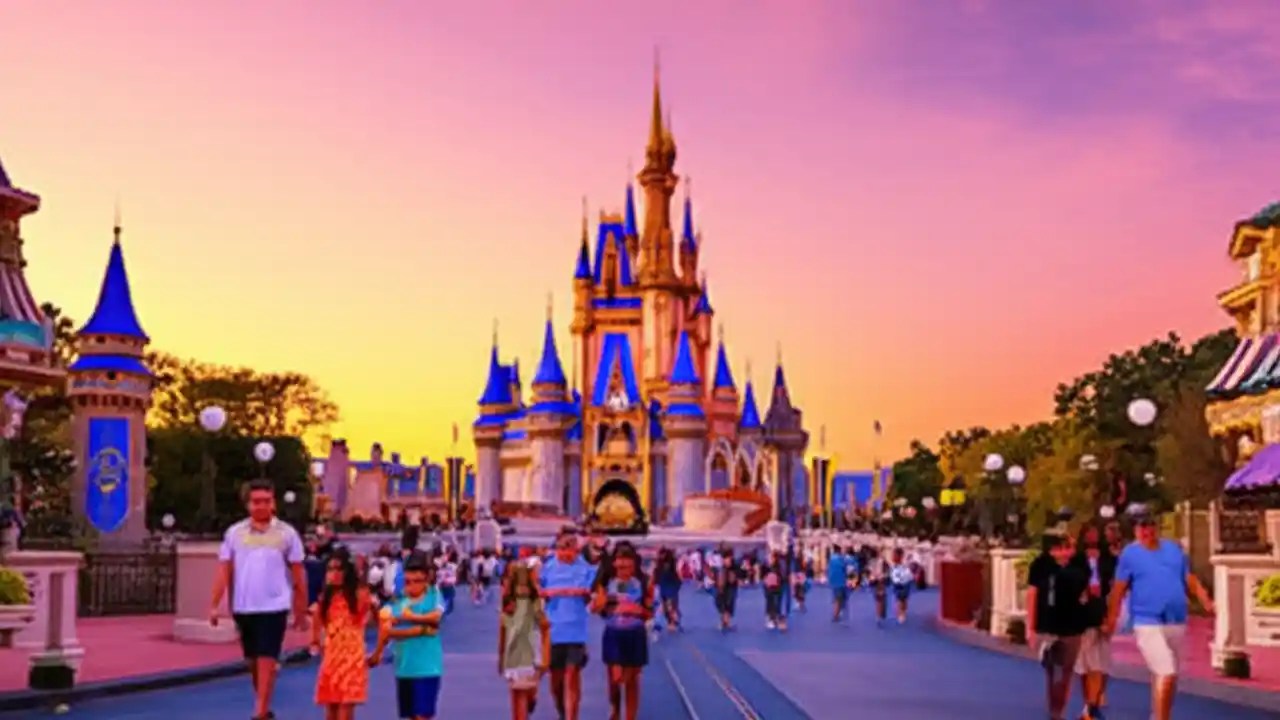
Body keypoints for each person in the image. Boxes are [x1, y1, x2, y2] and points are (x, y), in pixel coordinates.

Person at [209, 479, 308, 720]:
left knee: (266, 656)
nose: (261, 506)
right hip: (244, 606)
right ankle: (264, 705)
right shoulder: (235, 533)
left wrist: (301, 609)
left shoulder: (286, 533)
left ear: (273, 503)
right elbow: (224, 570)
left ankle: (260, 711)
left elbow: (297, 573)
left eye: (266, 501)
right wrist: (214, 604)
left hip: (274, 606)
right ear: (247, 505)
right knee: (253, 661)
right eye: (256, 502)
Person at [1103, 512, 1214, 720]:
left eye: (1150, 525)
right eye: (1141, 527)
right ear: (1135, 531)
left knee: (1166, 674)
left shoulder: (1173, 549)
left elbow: (1188, 577)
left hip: (1176, 619)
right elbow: (1118, 589)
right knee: (1167, 671)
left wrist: (1204, 598)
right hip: (1147, 620)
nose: (1147, 531)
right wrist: (1111, 618)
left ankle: (1160, 715)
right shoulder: (1130, 554)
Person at [369, 556, 444, 720]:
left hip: (428, 667)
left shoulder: (434, 594)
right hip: (404, 667)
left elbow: (436, 618)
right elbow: (386, 628)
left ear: (426, 579)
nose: (412, 586)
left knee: (421, 716)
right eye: (408, 581)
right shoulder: (399, 600)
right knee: (411, 715)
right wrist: (378, 653)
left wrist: (410, 617)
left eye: (417, 581)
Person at [1027, 532, 1090, 720]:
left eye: (1068, 547)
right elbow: (1032, 594)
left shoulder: (1079, 565)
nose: (1063, 551)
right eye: (1059, 547)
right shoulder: (1041, 565)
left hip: (1072, 626)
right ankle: (1055, 711)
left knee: (1066, 673)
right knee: (1052, 670)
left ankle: (1058, 710)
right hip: (1048, 626)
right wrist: (1030, 627)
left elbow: (1086, 592)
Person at [539, 529, 596, 720]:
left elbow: (593, 593)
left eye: (569, 550)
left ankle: (573, 717)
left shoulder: (586, 568)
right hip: (553, 630)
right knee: (556, 682)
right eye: (561, 550)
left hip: (575, 631)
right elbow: (537, 590)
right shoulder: (547, 568)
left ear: (577, 551)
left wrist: (583, 593)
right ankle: (563, 713)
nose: (565, 554)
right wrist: (549, 593)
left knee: (572, 676)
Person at [591, 542, 652, 720]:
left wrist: (638, 611)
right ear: (615, 563)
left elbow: (650, 611)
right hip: (613, 633)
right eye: (620, 563)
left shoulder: (643, 582)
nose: (624, 568)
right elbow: (597, 608)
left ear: (634, 564)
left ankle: (630, 717)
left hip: (635, 633)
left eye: (628, 563)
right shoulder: (607, 582)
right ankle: (615, 710)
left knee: (633, 680)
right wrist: (602, 604)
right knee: (615, 677)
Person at [311, 548, 372, 720]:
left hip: (352, 657)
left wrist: (378, 650)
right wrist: (315, 640)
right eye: (330, 569)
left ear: (347, 571)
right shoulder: (326, 597)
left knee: (345, 708)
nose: (333, 574)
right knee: (330, 707)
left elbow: (374, 616)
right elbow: (318, 618)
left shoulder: (359, 594)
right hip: (332, 656)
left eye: (338, 569)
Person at [1073, 525, 1117, 720]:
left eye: (1095, 532)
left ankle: (1093, 703)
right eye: (1089, 532)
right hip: (1084, 612)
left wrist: (1112, 614)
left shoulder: (1109, 559)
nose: (1093, 535)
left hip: (1103, 608)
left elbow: (1117, 585)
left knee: (1101, 661)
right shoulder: (1077, 559)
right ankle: (1089, 704)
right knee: (1085, 664)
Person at [499, 560, 551, 720]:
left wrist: (546, 656)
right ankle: (530, 697)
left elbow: (545, 628)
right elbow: (503, 631)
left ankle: (532, 695)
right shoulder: (507, 603)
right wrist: (501, 656)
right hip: (514, 654)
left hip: (530, 652)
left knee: (520, 695)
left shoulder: (534, 602)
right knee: (516, 695)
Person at [653, 547, 682, 633]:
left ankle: (672, 621)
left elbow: (677, 574)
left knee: (670, 606)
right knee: (667, 606)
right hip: (664, 585)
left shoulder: (669, 564)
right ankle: (672, 620)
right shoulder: (659, 564)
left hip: (670, 585)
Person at [888, 548, 914, 624]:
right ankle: (902, 612)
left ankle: (902, 613)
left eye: (894, 555)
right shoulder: (893, 565)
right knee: (900, 598)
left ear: (900, 556)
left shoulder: (904, 565)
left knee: (902, 598)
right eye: (892, 554)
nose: (892, 556)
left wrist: (902, 580)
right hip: (897, 582)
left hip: (904, 582)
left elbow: (907, 575)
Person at [714, 547, 738, 631]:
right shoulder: (723, 568)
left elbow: (734, 578)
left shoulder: (733, 567)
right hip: (724, 589)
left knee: (728, 605)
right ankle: (725, 622)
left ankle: (726, 622)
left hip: (730, 589)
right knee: (722, 605)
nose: (728, 560)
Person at [762, 550, 786, 631]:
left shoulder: (777, 567)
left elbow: (781, 577)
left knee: (773, 603)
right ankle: (773, 619)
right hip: (772, 589)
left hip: (775, 589)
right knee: (772, 603)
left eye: (771, 557)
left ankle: (774, 619)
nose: (769, 559)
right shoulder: (770, 566)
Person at [826, 546, 849, 622]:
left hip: (833, 581)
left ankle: (836, 614)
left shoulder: (831, 559)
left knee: (836, 598)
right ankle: (836, 615)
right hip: (841, 581)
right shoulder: (841, 559)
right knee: (839, 599)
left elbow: (828, 569)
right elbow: (846, 569)